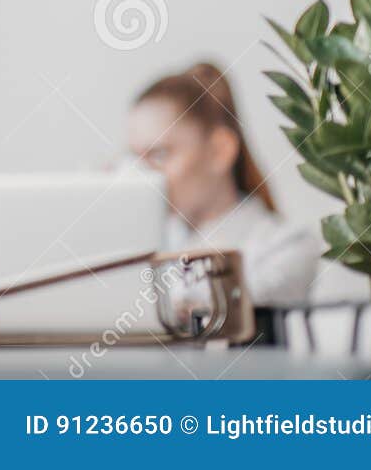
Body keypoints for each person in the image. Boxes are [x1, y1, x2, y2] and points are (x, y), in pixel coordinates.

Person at [126, 62, 317, 305]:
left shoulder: (286, 247)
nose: (143, 175)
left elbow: (215, 304)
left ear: (219, 151)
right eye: (135, 158)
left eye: (160, 155)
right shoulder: (152, 245)